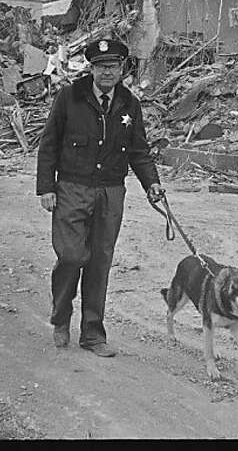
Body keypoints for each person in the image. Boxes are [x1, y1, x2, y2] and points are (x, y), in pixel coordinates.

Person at [35, 37, 164, 357]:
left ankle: (93, 334)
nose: (107, 72)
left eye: (114, 66)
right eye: (101, 66)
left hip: (110, 191)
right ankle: (61, 317)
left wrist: (153, 184)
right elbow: (49, 143)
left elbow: (138, 150)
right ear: (91, 68)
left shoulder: (129, 103)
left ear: (122, 69)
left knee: (99, 262)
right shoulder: (69, 97)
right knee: (72, 256)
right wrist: (46, 187)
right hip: (71, 189)